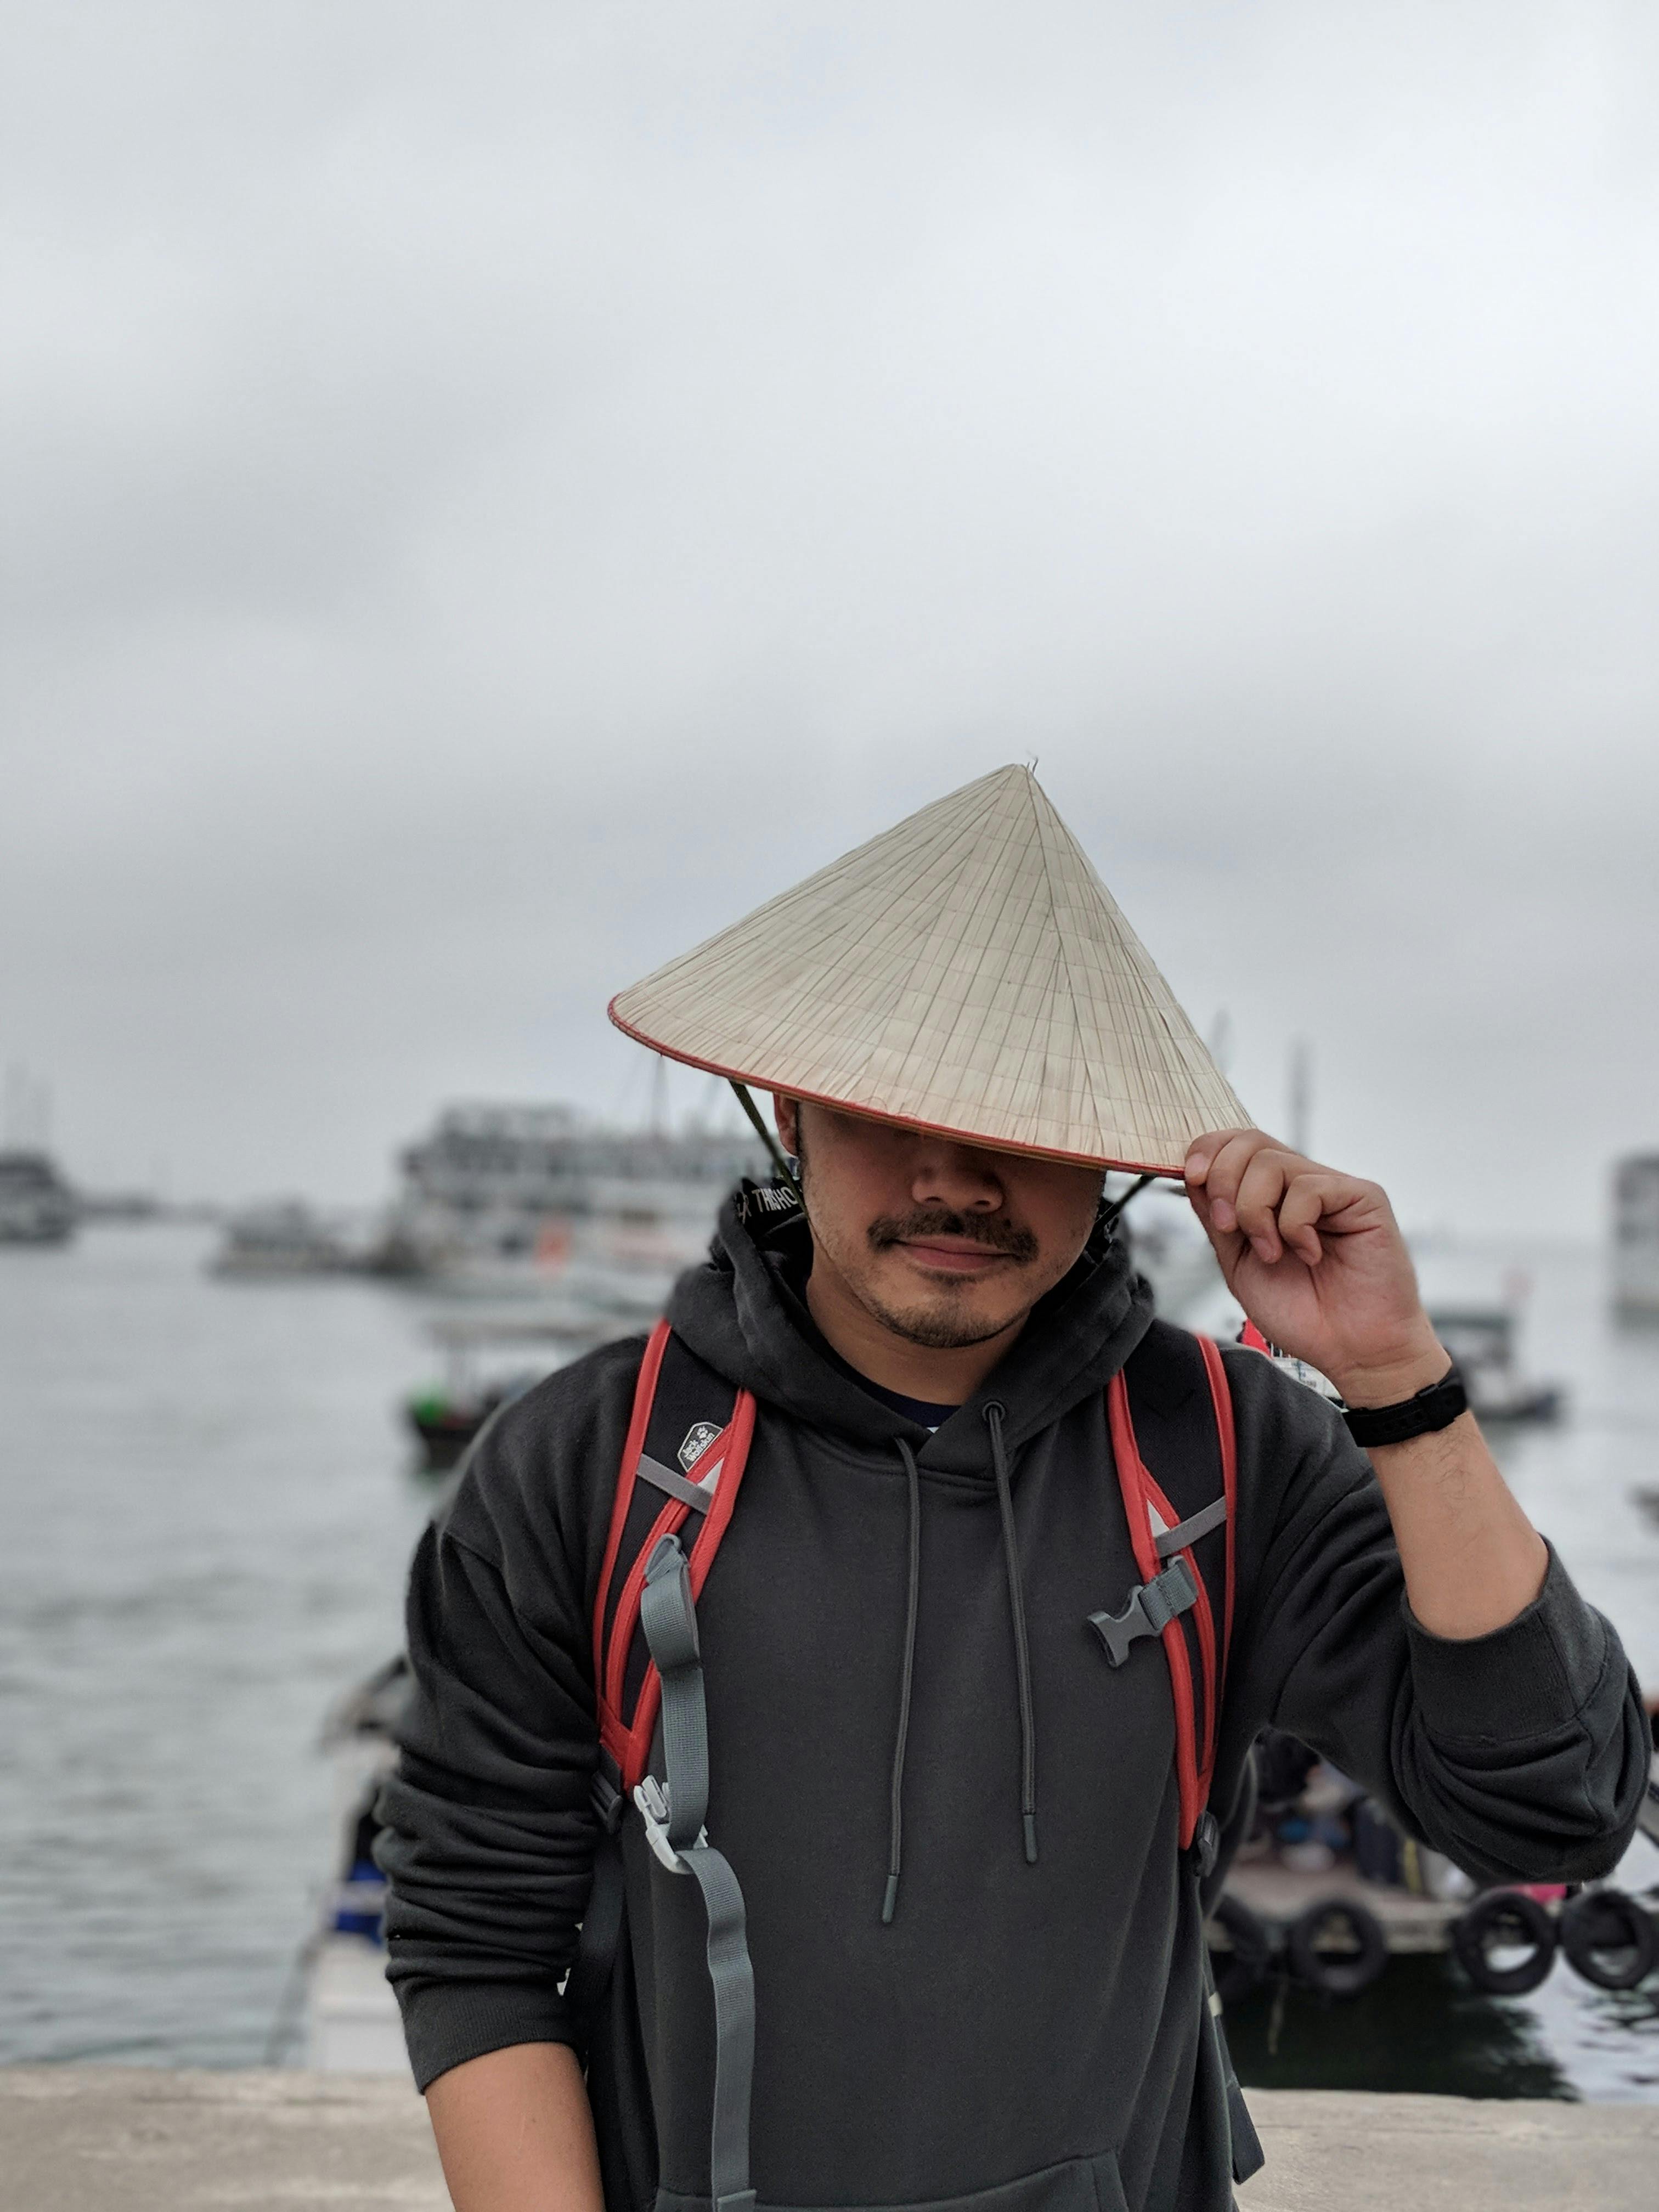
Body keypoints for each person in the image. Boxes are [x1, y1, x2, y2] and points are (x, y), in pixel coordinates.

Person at [376, 766, 1647, 2212]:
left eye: (1018, 1124)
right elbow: (475, 1939)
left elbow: (1559, 1810)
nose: (952, 1176)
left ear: (1105, 1150)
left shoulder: (1227, 1456)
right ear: (788, 1111)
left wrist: (1398, 1382)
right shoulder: (584, 1463)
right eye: (883, 1112)